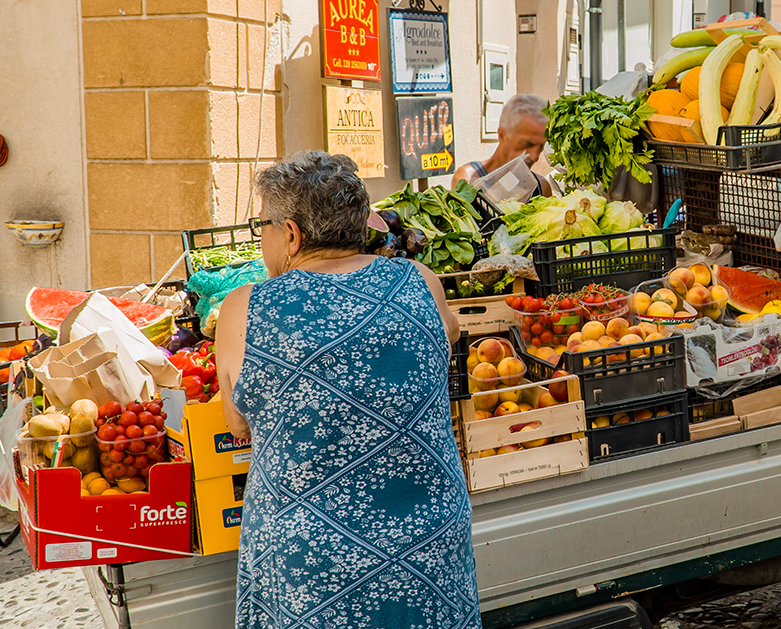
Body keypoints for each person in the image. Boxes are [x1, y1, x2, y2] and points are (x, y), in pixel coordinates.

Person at [214, 151, 479, 629]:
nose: (262, 241)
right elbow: (450, 331)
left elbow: (237, 421)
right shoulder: (419, 280)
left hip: (312, 563)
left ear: (291, 234)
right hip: (427, 544)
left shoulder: (245, 307)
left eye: (263, 228)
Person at [452, 93, 553, 198]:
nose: (534, 157)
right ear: (502, 135)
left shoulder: (542, 187)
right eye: (527, 144)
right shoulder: (467, 179)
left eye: (540, 147)